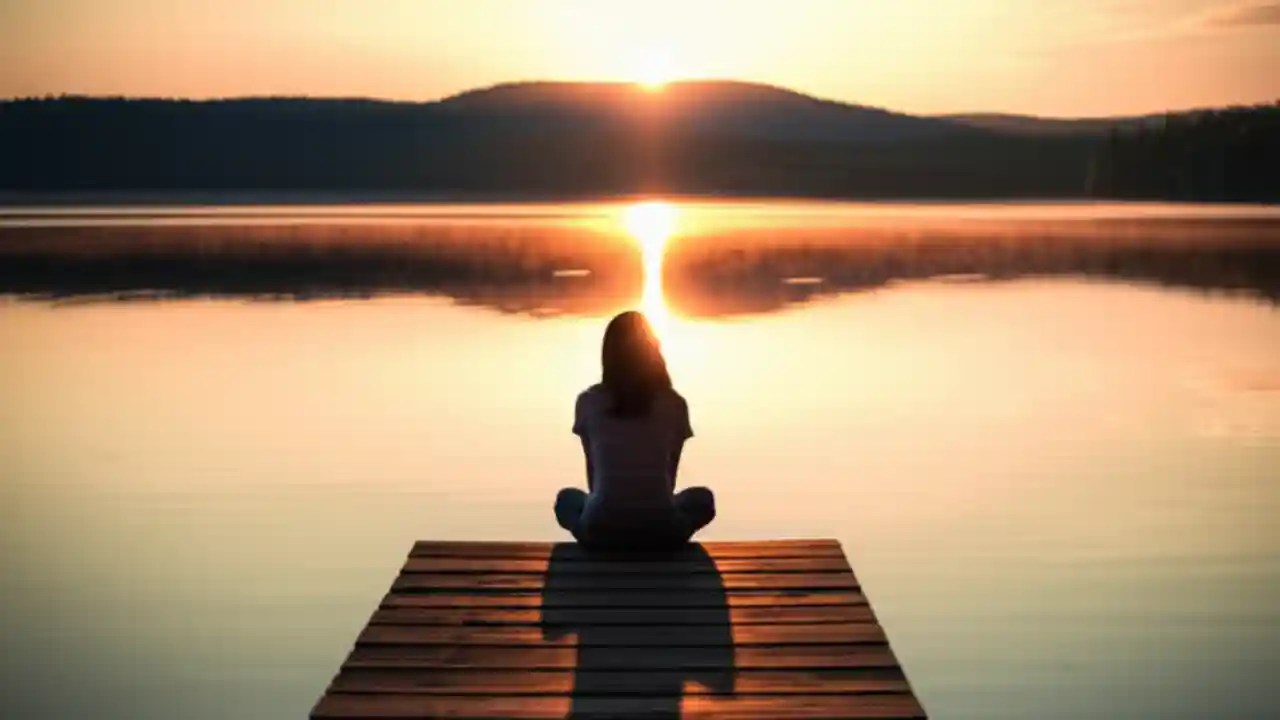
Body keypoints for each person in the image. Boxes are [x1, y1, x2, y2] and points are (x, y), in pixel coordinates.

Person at [555, 311, 715, 550]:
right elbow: (668, 478)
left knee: (567, 500)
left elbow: (594, 477)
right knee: (703, 499)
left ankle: (606, 537)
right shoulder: (674, 403)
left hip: (602, 533)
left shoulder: (588, 401)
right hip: (662, 532)